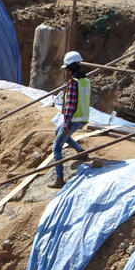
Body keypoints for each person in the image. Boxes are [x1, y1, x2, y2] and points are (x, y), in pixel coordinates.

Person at [48, 51, 91, 189]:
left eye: (67, 68)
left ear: (71, 67)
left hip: (73, 119)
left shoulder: (73, 82)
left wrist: (66, 123)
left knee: (56, 147)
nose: (66, 71)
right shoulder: (86, 81)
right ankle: (80, 151)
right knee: (57, 131)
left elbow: (70, 105)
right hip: (83, 117)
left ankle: (59, 179)